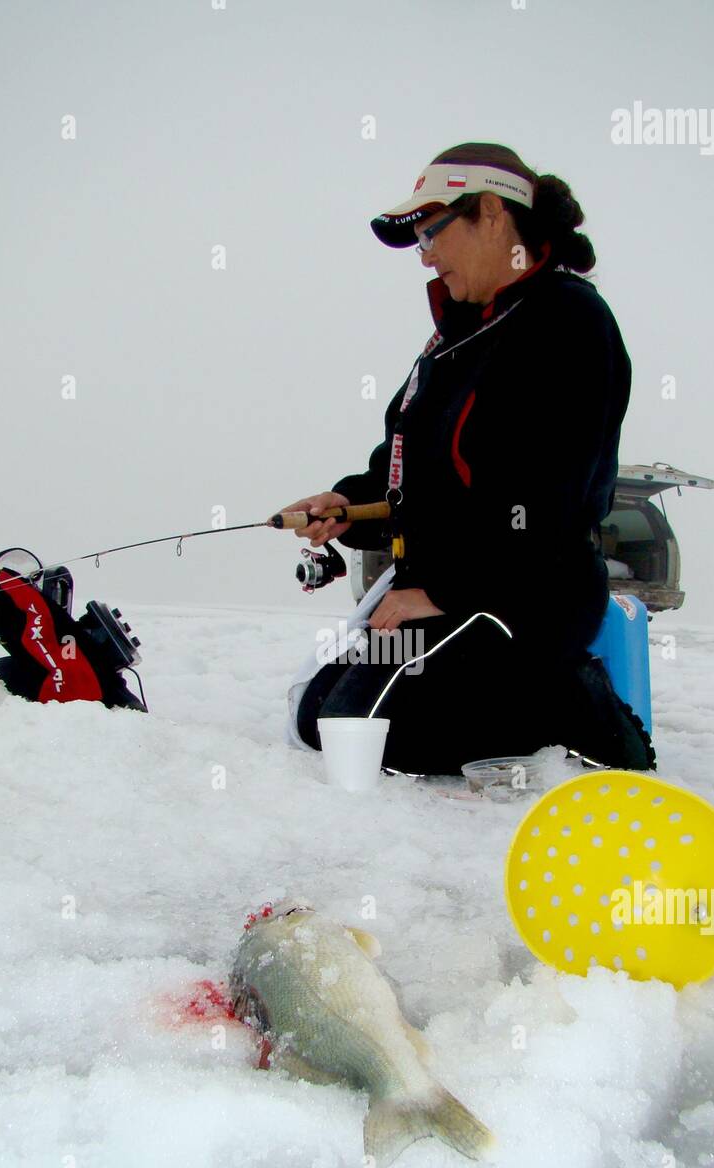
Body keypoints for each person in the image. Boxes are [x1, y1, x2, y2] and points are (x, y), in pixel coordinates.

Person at [281, 142, 655, 775]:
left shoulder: (567, 322)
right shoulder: (457, 336)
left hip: (526, 594)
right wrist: (349, 505)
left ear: (488, 212)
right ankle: (515, 696)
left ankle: (578, 711)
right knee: (322, 713)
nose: (425, 255)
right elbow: (406, 473)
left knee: (371, 729)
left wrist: (448, 591)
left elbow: (547, 500)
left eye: (431, 232)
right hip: (439, 592)